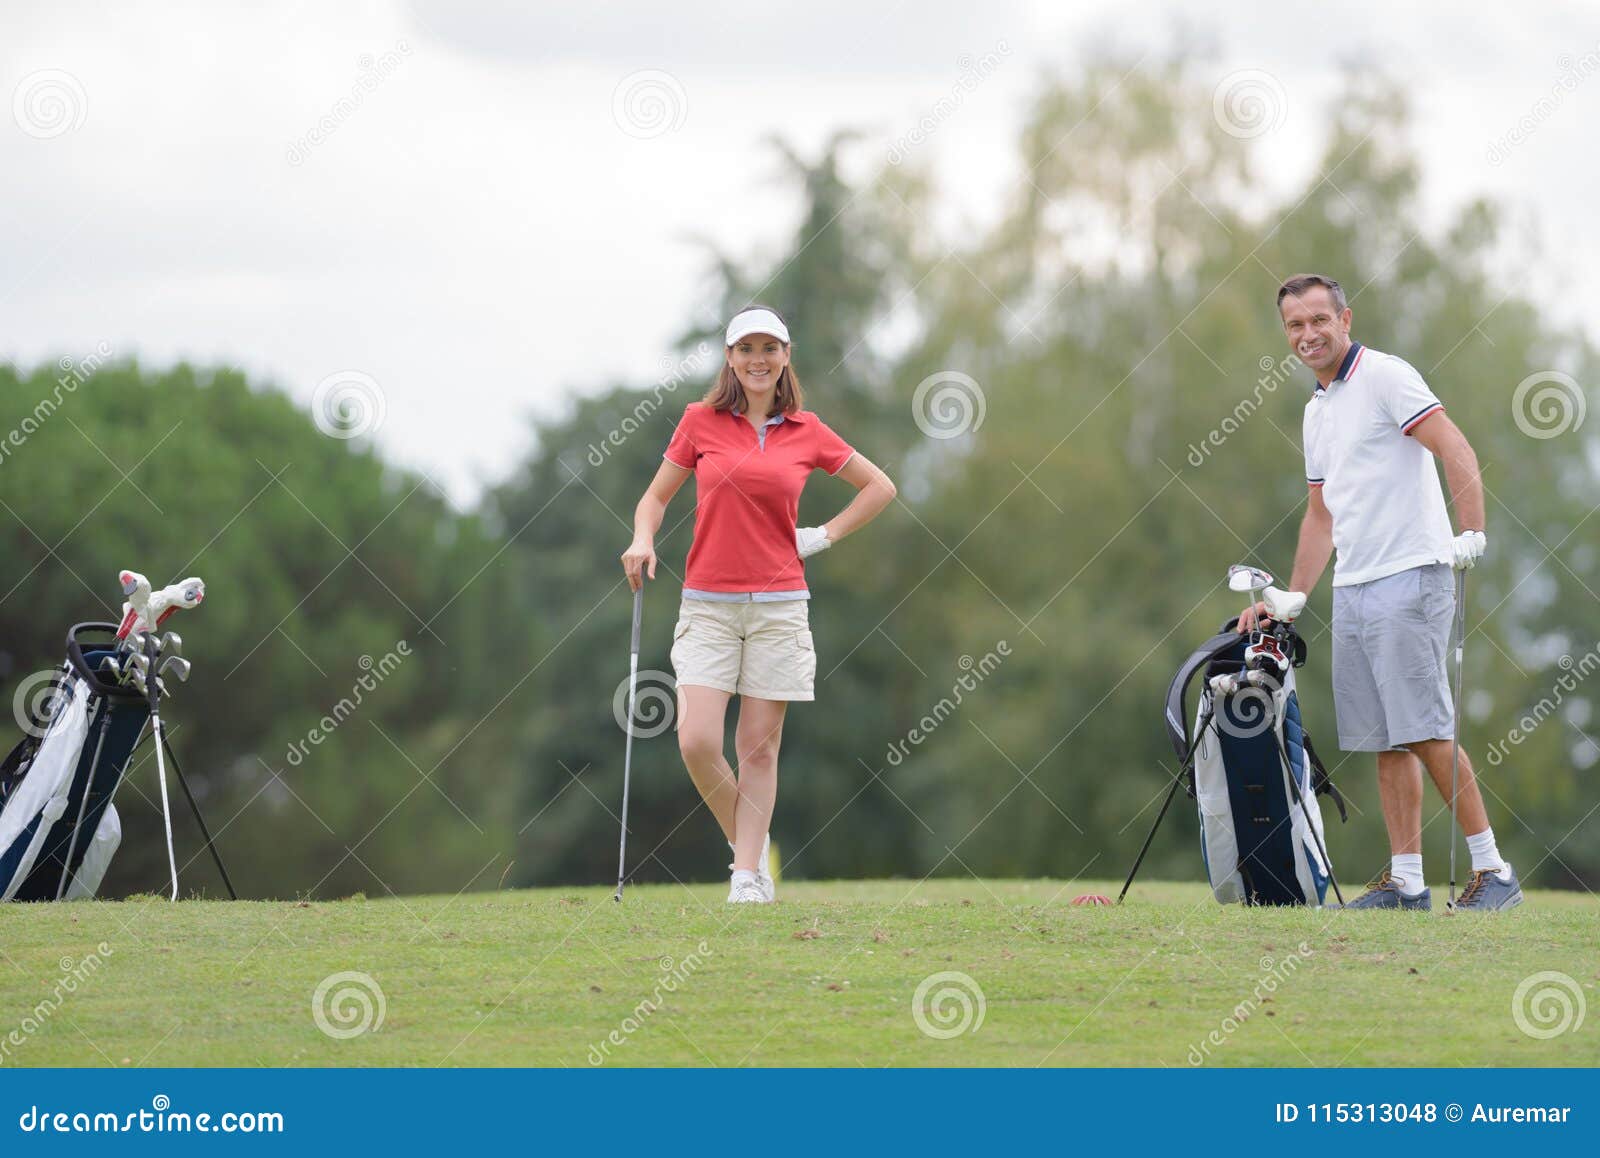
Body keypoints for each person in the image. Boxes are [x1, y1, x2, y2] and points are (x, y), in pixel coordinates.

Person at [1237, 274, 1522, 911]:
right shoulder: (1316, 412)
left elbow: (1454, 446)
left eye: (1318, 320)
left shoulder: (1386, 376)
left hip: (1413, 575)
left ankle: (1494, 872)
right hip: (1356, 585)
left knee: (1425, 729)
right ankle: (1408, 882)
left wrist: (1471, 528)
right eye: (1294, 325)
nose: (1308, 334)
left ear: (1344, 318)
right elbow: (1321, 515)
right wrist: (1295, 594)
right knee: (1385, 740)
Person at [621, 305, 896, 903]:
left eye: (769, 348)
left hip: (779, 607)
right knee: (696, 741)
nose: (757, 359)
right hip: (708, 605)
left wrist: (821, 535)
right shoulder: (700, 422)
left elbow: (881, 487)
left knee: (758, 747)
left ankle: (746, 877)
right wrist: (643, 538)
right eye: (746, 349)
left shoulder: (809, 430)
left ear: (786, 356)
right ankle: (752, 848)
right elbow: (654, 498)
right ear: (729, 358)